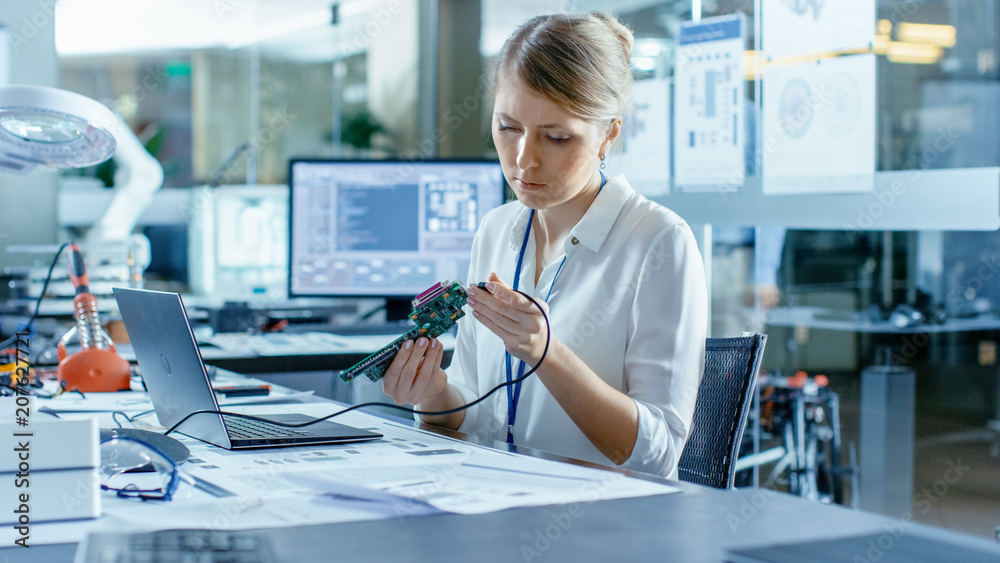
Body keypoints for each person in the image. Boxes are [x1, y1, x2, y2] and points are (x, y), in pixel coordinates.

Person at [380, 12, 708, 478]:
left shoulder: (659, 242)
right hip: (495, 508)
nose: (522, 160)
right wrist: (431, 394)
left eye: (556, 137)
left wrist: (546, 353)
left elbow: (656, 454)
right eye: (508, 127)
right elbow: (470, 415)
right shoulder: (496, 230)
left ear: (608, 134)